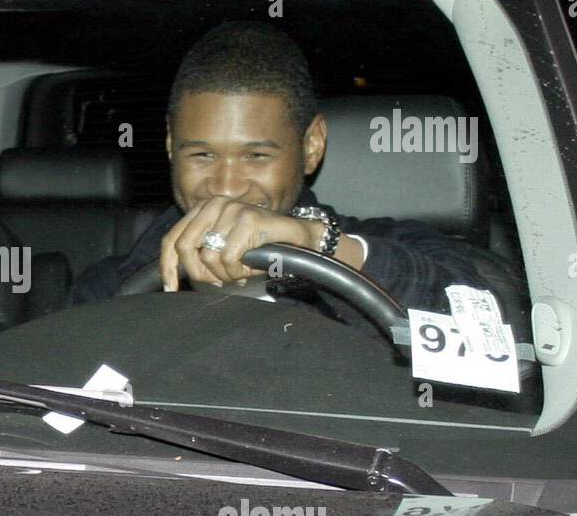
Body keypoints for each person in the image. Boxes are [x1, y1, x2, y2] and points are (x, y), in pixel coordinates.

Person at [71, 22, 494, 330]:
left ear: (311, 147)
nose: (226, 187)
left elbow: (478, 316)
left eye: (256, 156)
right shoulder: (108, 287)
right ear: (169, 147)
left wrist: (320, 247)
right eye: (201, 155)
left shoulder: (400, 249)